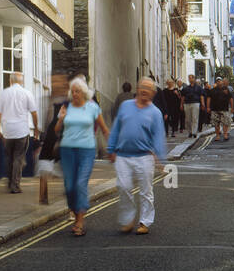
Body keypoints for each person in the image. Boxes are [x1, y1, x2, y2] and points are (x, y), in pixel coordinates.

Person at [107, 77, 167, 235]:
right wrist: (111, 148)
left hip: (144, 157)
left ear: (153, 93)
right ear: (137, 89)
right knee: (123, 187)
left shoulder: (155, 113)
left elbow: (158, 137)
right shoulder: (125, 106)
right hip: (122, 155)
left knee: (146, 191)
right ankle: (128, 220)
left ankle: (145, 222)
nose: (145, 91)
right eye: (142, 87)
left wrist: (161, 159)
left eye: (148, 88)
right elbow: (116, 128)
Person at [55, 76, 109, 235]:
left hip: (87, 150)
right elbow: (56, 130)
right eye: (73, 91)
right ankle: (74, 208)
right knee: (69, 186)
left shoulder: (92, 108)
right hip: (67, 150)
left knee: (80, 184)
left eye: (78, 91)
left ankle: (80, 221)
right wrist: (61, 119)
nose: (75, 94)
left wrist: (111, 150)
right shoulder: (66, 107)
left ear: (84, 92)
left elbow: (104, 129)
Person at [0, 71, 38, 193]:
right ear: (21, 81)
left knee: (9, 158)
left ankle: (10, 183)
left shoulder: (3, 94)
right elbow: (34, 113)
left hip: (7, 131)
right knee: (18, 158)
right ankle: (15, 185)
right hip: (21, 131)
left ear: (10, 81)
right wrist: (36, 129)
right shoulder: (27, 93)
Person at [36, 71, 70, 204]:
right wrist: (41, 141)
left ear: (64, 83)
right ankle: (43, 198)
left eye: (57, 81)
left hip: (64, 140)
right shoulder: (46, 100)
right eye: (52, 82)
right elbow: (45, 122)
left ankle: (69, 195)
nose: (54, 84)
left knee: (67, 171)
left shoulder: (68, 102)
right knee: (43, 167)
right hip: (49, 140)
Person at [207, 75, 233, 142]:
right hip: (215, 109)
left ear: (222, 82)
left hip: (224, 108)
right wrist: (208, 107)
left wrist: (232, 107)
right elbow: (209, 99)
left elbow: (231, 98)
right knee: (216, 123)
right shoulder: (212, 90)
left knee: (225, 123)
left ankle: (225, 135)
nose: (219, 82)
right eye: (217, 81)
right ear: (216, 82)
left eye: (220, 81)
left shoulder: (226, 90)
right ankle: (217, 135)